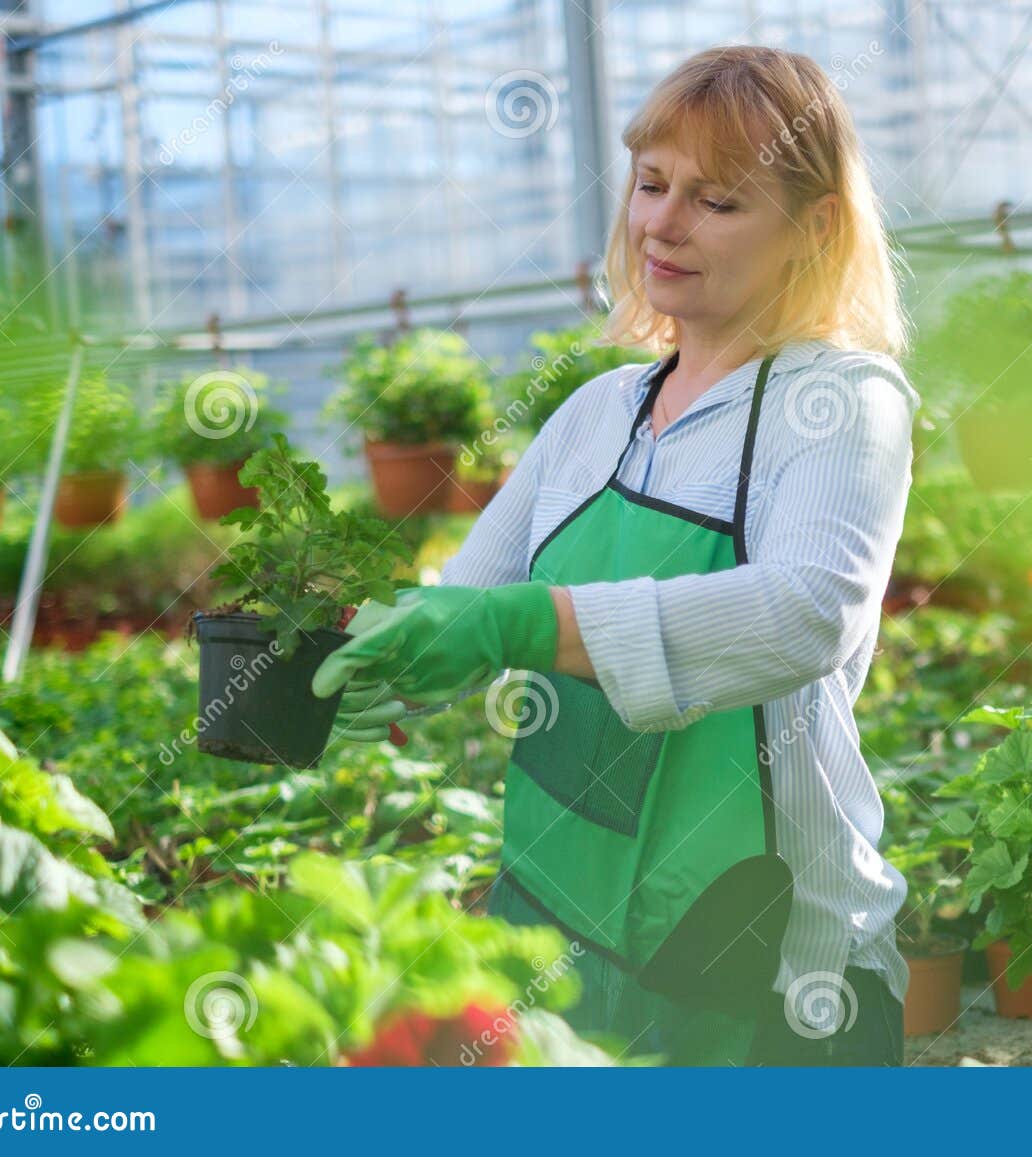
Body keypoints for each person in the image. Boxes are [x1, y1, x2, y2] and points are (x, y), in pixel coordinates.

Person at [312, 44, 918, 1066]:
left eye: (717, 200)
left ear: (812, 229)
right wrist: (383, 665)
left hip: (767, 955)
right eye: (650, 184)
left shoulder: (840, 401)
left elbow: (808, 610)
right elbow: (473, 597)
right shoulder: (600, 410)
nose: (662, 225)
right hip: (564, 922)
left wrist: (524, 625)